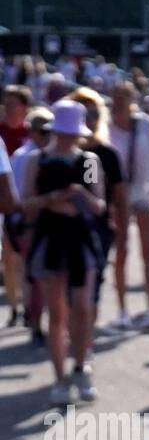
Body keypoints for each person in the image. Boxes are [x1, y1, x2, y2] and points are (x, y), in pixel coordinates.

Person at [19, 100, 106, 404]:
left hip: (80, 239)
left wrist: (80, 194)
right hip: (50, 237)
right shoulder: (37, 161)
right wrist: (52, 198)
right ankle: (59, 377)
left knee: (82, 308)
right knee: (57, 312)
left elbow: (99, 205)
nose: (69, 138)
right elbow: (26, 203)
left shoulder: (90, 161)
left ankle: (81, 365)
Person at [107, 80, 149, 330]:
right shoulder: (107, 126)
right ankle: (122, 310)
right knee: (121, 252)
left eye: (124, 96)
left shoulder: (147, 125)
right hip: (119, 198)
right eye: (116, 96)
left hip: (145, 194)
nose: (119, 100)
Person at [67, 88, 125, 357]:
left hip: (97, 230)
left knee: (92, 286)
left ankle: (84, 341)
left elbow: (119, 198)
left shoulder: (106, 155)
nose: (88, 119)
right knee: (69, 289)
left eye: (93, 113)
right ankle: (73, 333)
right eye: (82, 113)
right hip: (62, 231)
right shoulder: (56, 155)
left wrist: (123, 234)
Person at [9, 107, 53, 341]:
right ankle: (34, 319)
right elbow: (17, 196)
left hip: (56, 225)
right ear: (32, 131)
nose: (48, 135)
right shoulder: (23, 157)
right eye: (42, 130)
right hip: (29, 224)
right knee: (33, 275)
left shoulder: (81, 157)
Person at [1, 85, 31, 325]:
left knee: (25, 257)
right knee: (8, 258)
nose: (8, 108)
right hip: (5, 204)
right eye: (6, 103)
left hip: (28, 203)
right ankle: (14, 307)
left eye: (13, 103)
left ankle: (28, 302)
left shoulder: (33, 133)